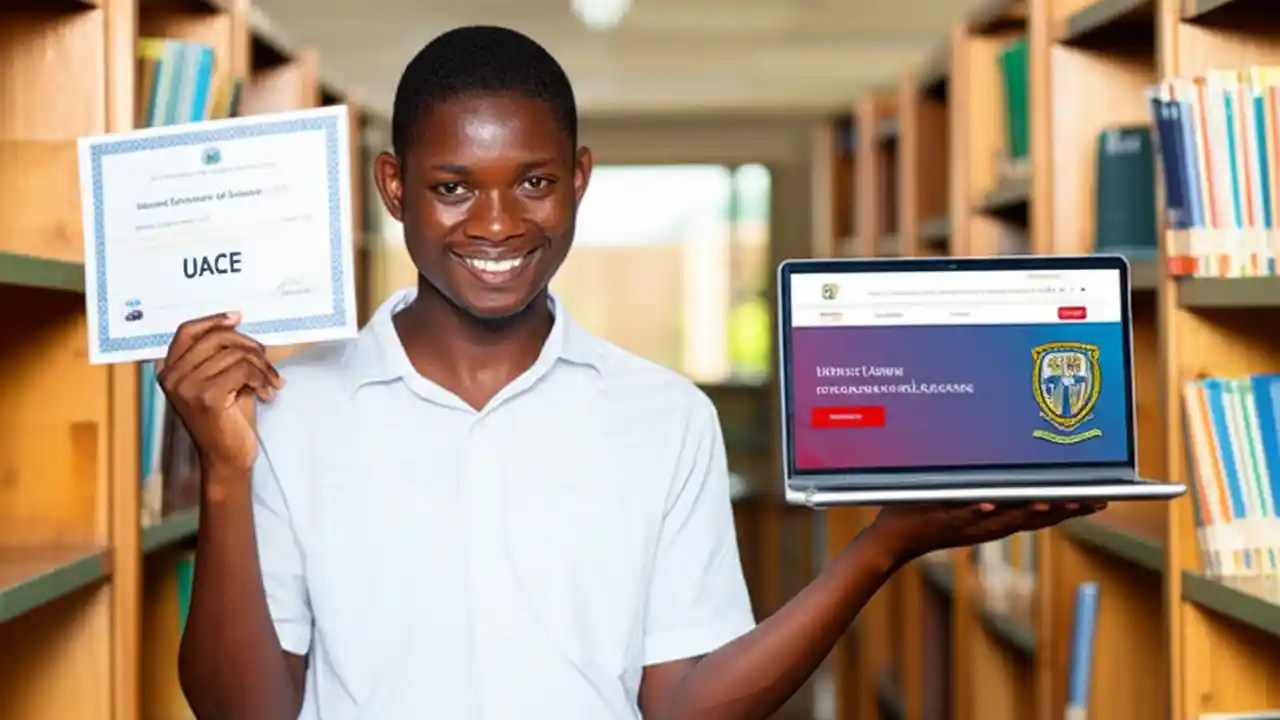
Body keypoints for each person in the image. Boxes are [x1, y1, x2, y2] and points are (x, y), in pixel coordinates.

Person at [164, 25, 1102, 720]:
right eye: (453, 187)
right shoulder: (290, 414)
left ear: (579, 179)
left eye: (533, 182)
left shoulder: (665, 416)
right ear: (394, 187)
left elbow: (684, 704)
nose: (497, 224)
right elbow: (241, 712)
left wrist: (878, 551)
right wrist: (225, 475)